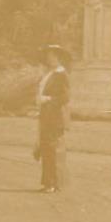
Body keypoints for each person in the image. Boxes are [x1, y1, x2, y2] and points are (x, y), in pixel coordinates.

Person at [32, 44, 72, 193]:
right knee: (46, 148)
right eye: (48, 56)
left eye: (53, 56)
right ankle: (48, 182)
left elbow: (65, 97)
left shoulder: (61, 74)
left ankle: (54, 183)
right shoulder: (51, 74)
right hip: (47, 115)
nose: (50, 58)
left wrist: (47, 99)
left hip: (55, 117)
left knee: (52, 149)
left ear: (59, 58)